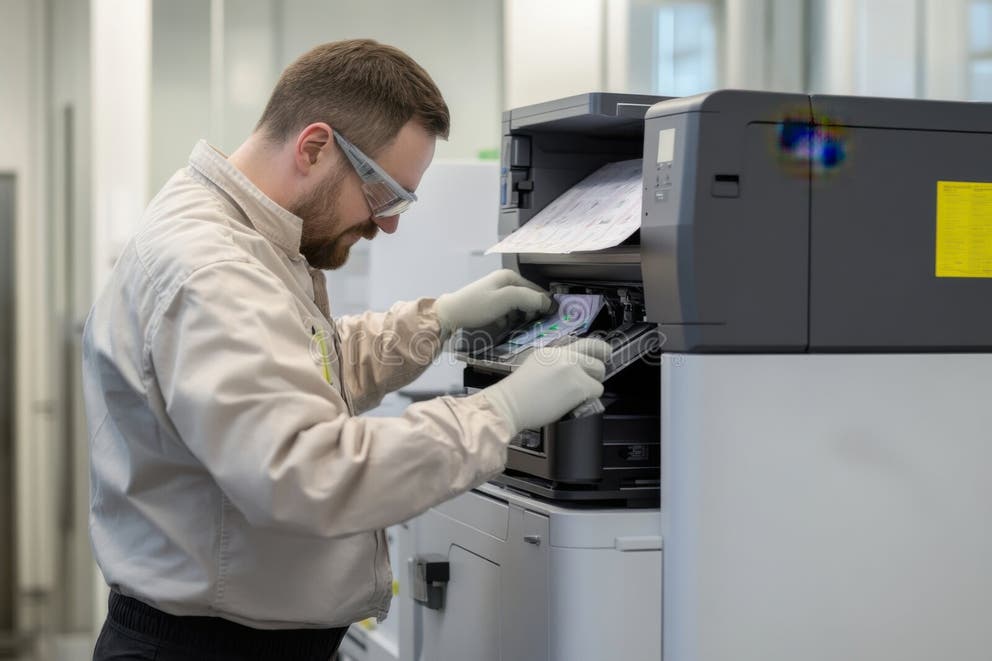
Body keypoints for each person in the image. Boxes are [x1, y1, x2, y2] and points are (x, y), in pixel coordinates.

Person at [83, 39, 609, 660]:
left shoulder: (247, 236)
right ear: (314, 148)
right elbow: (311, 473)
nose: (387, 224)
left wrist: (436, 321)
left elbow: (301, 369)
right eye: (383, 194)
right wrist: (501, 411)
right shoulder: (213, 270)